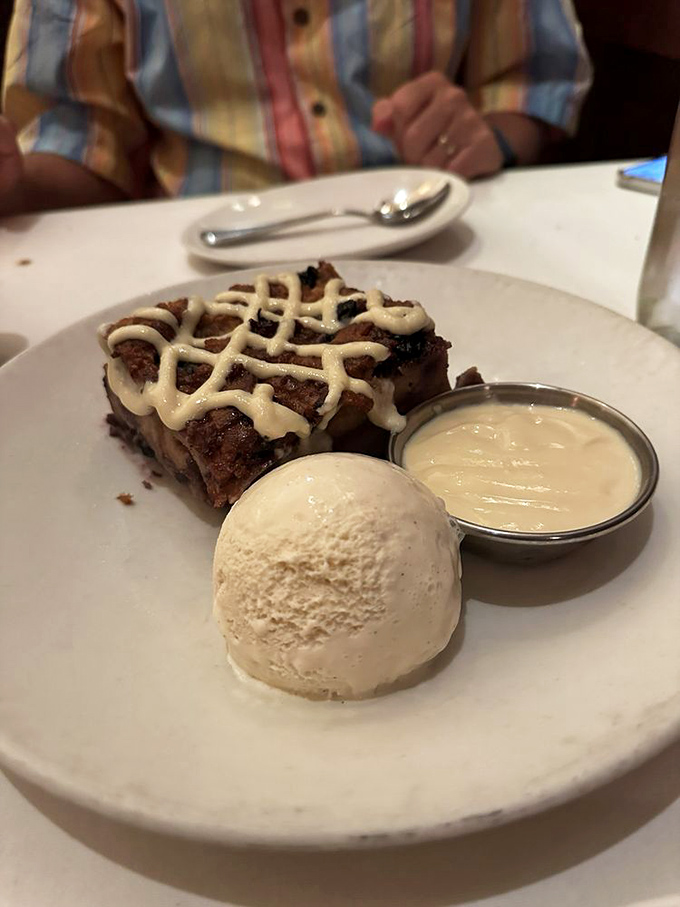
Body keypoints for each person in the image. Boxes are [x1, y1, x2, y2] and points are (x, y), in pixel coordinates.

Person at [0, 0, 591, 216]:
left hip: (425, 219)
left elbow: (533, 82)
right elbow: (79, 139)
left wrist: (489, 137)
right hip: (192, 253)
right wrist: (13, 181)